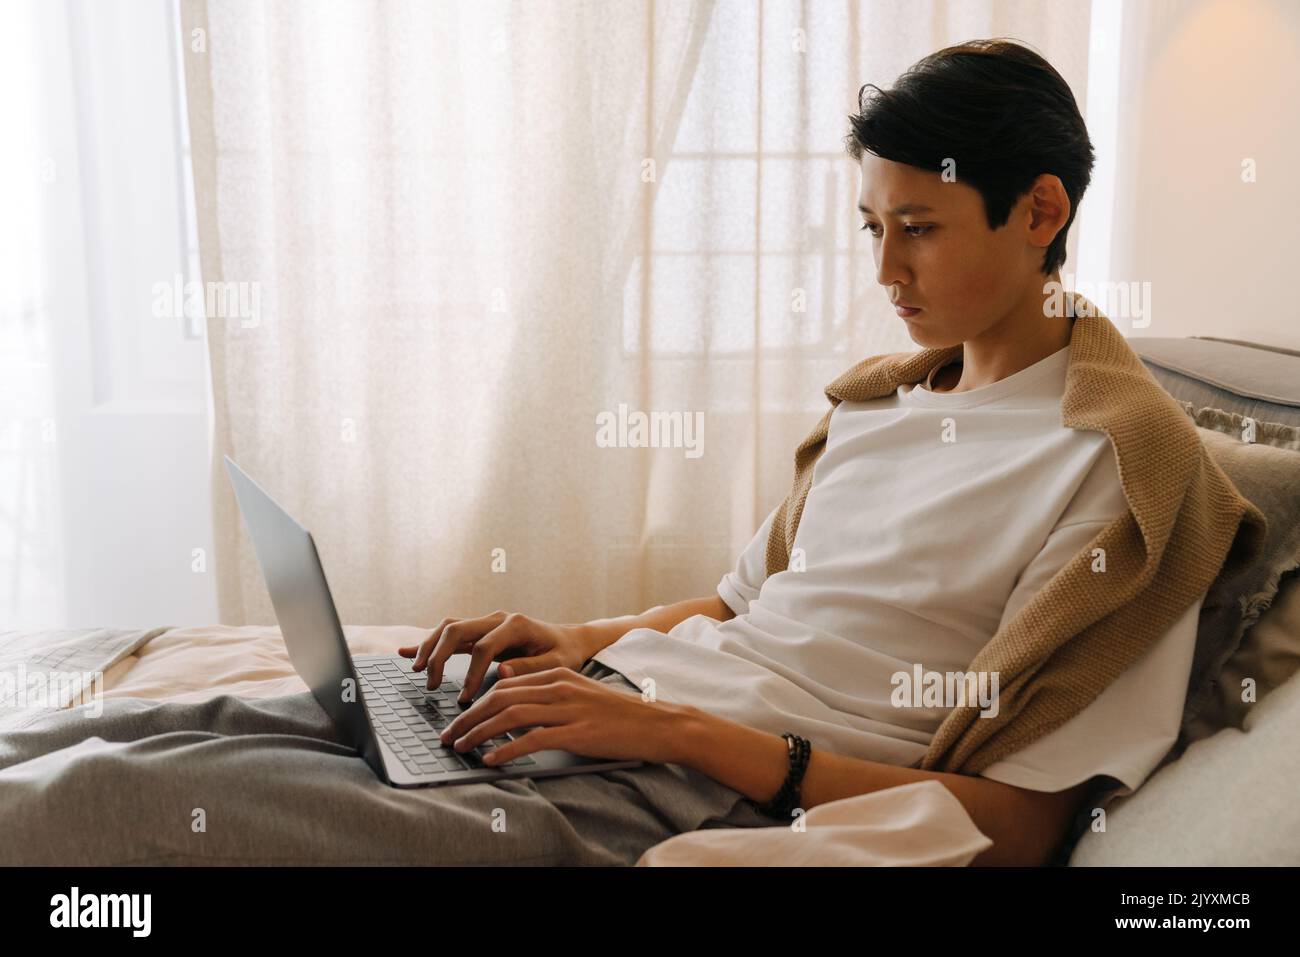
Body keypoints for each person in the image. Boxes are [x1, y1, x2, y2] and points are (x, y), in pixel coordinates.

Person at [0, 39, 1208, 867]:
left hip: (665, 789)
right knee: (116, 731)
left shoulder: (1126, 476)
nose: (884, 271)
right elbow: (746, 605)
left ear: (1039, 212)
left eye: (919, 231)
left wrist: (671, 732)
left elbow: (1022, 827)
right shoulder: (886, 403)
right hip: (606, 711)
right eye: (871, 229)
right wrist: (578, 643)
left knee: (95, 804)